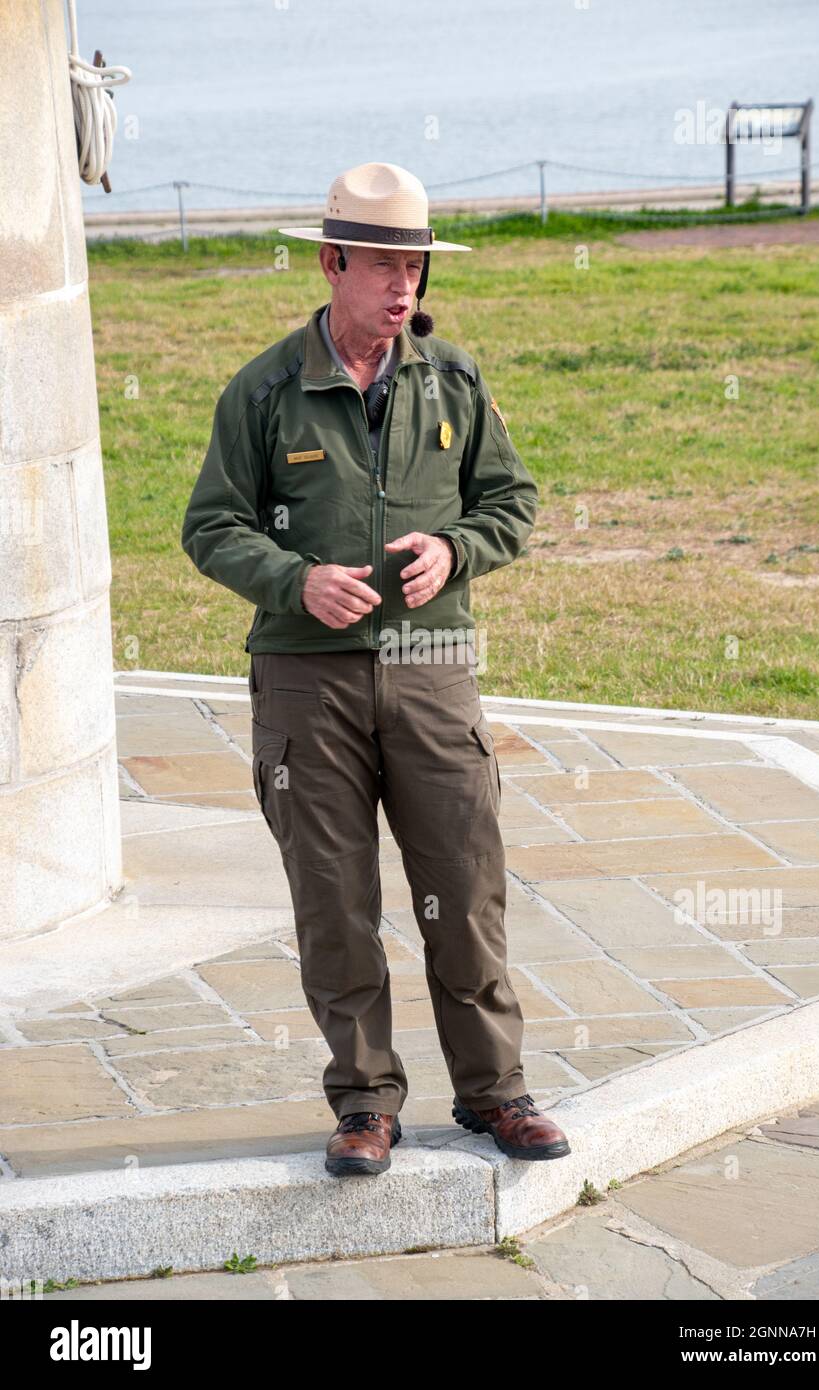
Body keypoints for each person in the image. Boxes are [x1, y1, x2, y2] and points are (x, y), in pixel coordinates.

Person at [181, 161, 570, 1177]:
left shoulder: (454, 380)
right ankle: (363, 1104)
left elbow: (510, 502)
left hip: (432, 664)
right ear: (331, 262)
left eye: (417, 266)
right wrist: (292, 580)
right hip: (307, 683)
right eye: (385, 265)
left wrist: (456, 551)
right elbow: (209, 525)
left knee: (464, 885)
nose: (404, 286)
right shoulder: (263, 390)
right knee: (333, 899)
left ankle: (497, 1093)